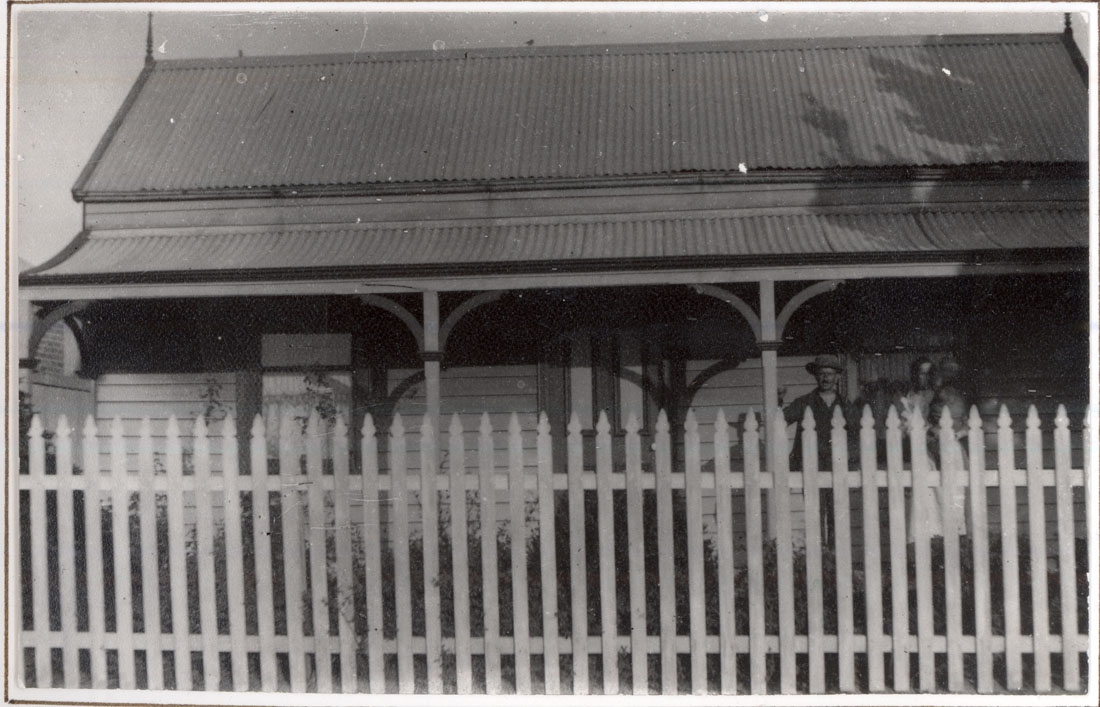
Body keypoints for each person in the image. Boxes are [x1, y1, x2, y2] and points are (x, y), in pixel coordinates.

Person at [783, 354, 859, 546]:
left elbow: (856, 435)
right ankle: (819, 558)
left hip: (838, 466)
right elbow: (781, 420)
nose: (825, 378)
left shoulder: (846, 405)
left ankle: (834, 558)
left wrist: (853, 462)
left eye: (829, 374)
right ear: (815, 376)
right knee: (814, 514)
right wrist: (777, 401)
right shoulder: (804, 402)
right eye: (821, 374)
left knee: (837, 514)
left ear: (837, 377)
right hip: (811, 465)